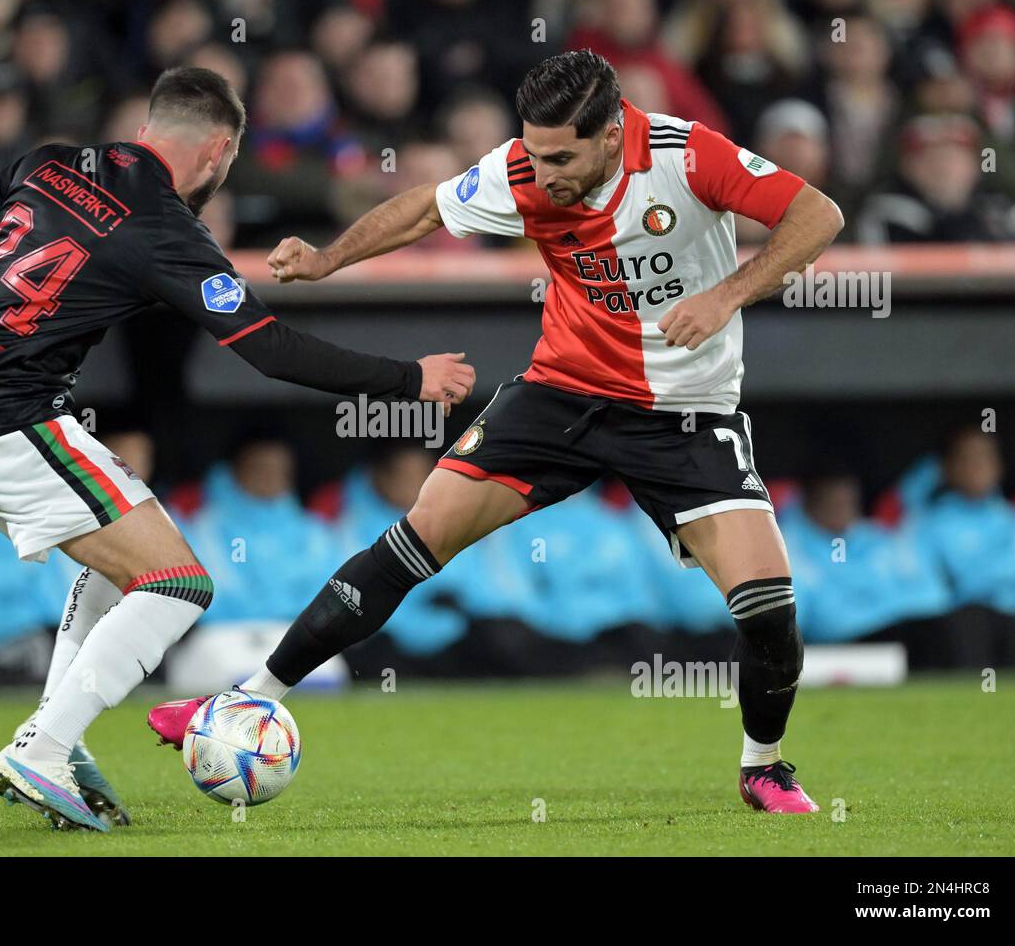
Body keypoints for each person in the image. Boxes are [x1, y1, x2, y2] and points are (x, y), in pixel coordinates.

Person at [150, 50, 845, 814]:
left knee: (769, 610)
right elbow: (420, 208)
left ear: (612, 137)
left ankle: (763, 766)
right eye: (533, 152)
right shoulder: (520, 169)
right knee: (414, 541)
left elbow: (818, 213)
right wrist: (326, 261)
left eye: (560, 158)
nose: (541, 174)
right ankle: (244, 699)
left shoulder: (686, 155)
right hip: (560, 396)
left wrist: (727, 296)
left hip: (687, 412)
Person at [0, 66, 474, 832]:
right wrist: (408, 378)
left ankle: (64, 740)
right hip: (6, 423)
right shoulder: (163, 226)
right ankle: (42, 747)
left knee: (127, 559)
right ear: (219, 151)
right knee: (180, 583)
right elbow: (274, 352)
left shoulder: (53, 162)